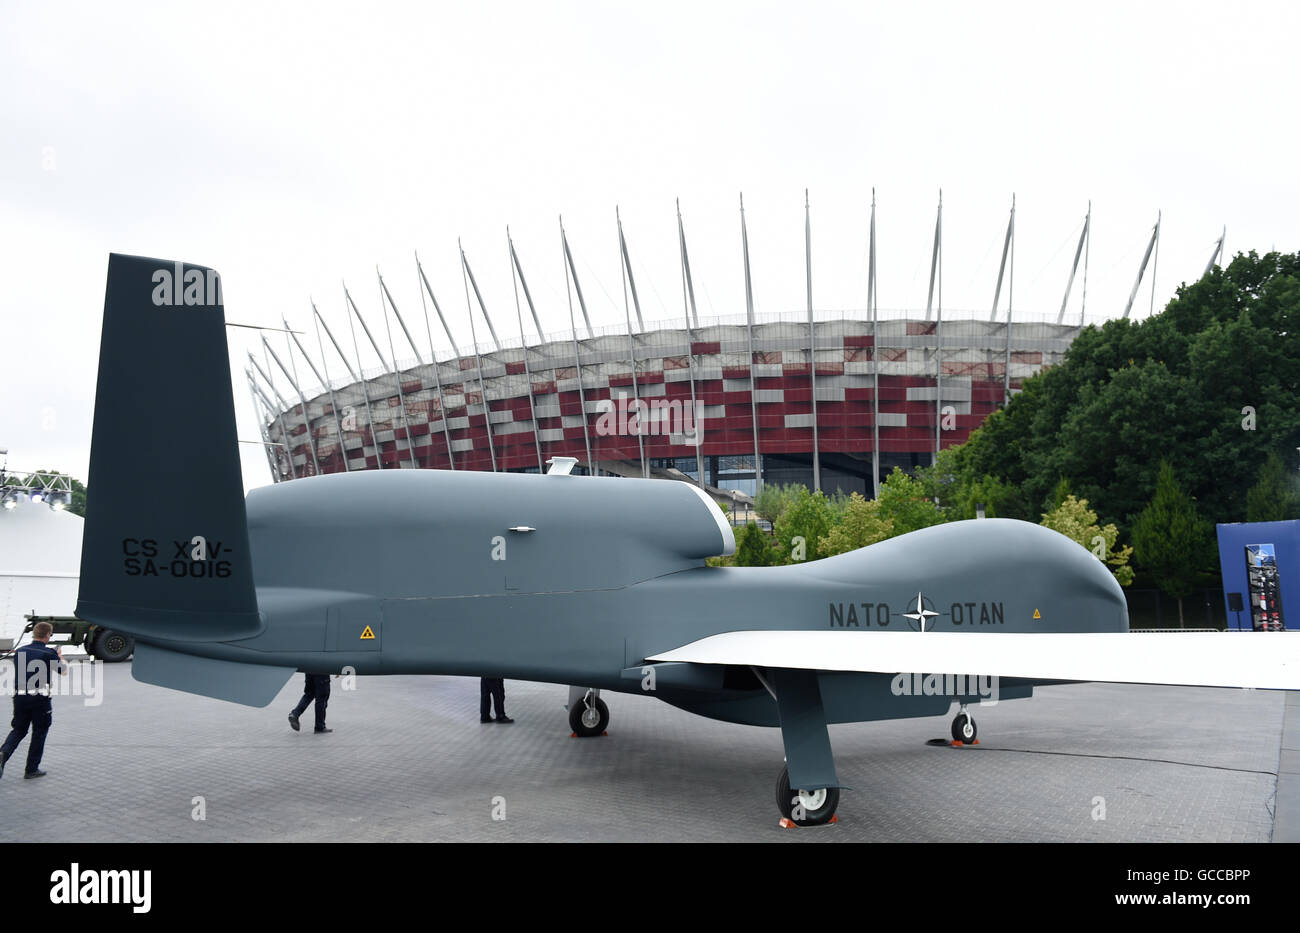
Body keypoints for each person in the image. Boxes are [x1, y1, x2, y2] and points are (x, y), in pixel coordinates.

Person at [1, 620, 67, 779]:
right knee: (39, 731)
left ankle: (3, 753)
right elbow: (63, 671)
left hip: (20, 697)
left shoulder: (20, 651)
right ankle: (31, 769)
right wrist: (59, 655)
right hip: (39, 698)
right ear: (47, 635)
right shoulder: (48, 653)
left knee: (18, 730)